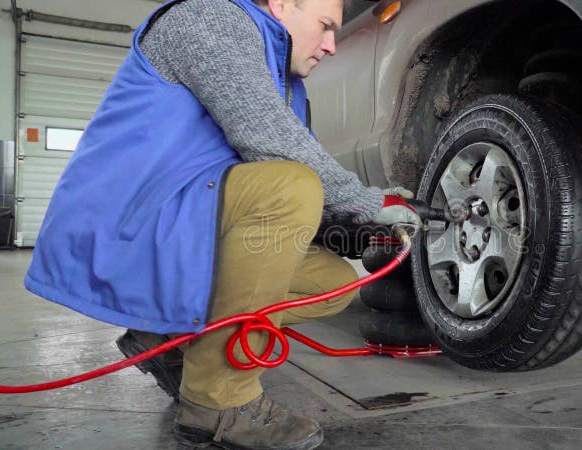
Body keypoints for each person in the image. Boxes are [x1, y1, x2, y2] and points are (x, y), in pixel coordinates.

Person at [24, 0, 421, 449]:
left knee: (330, 282)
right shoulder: (210, 18)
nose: (332, 45)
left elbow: (269, 173)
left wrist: (357, 220)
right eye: (326, 26)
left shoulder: (280, 75)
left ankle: (167, 335)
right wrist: (370, 201)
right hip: (128, 224)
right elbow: (273, 145)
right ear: (283, 4)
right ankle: (219, 402)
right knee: (291, 186)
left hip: (185, 220)